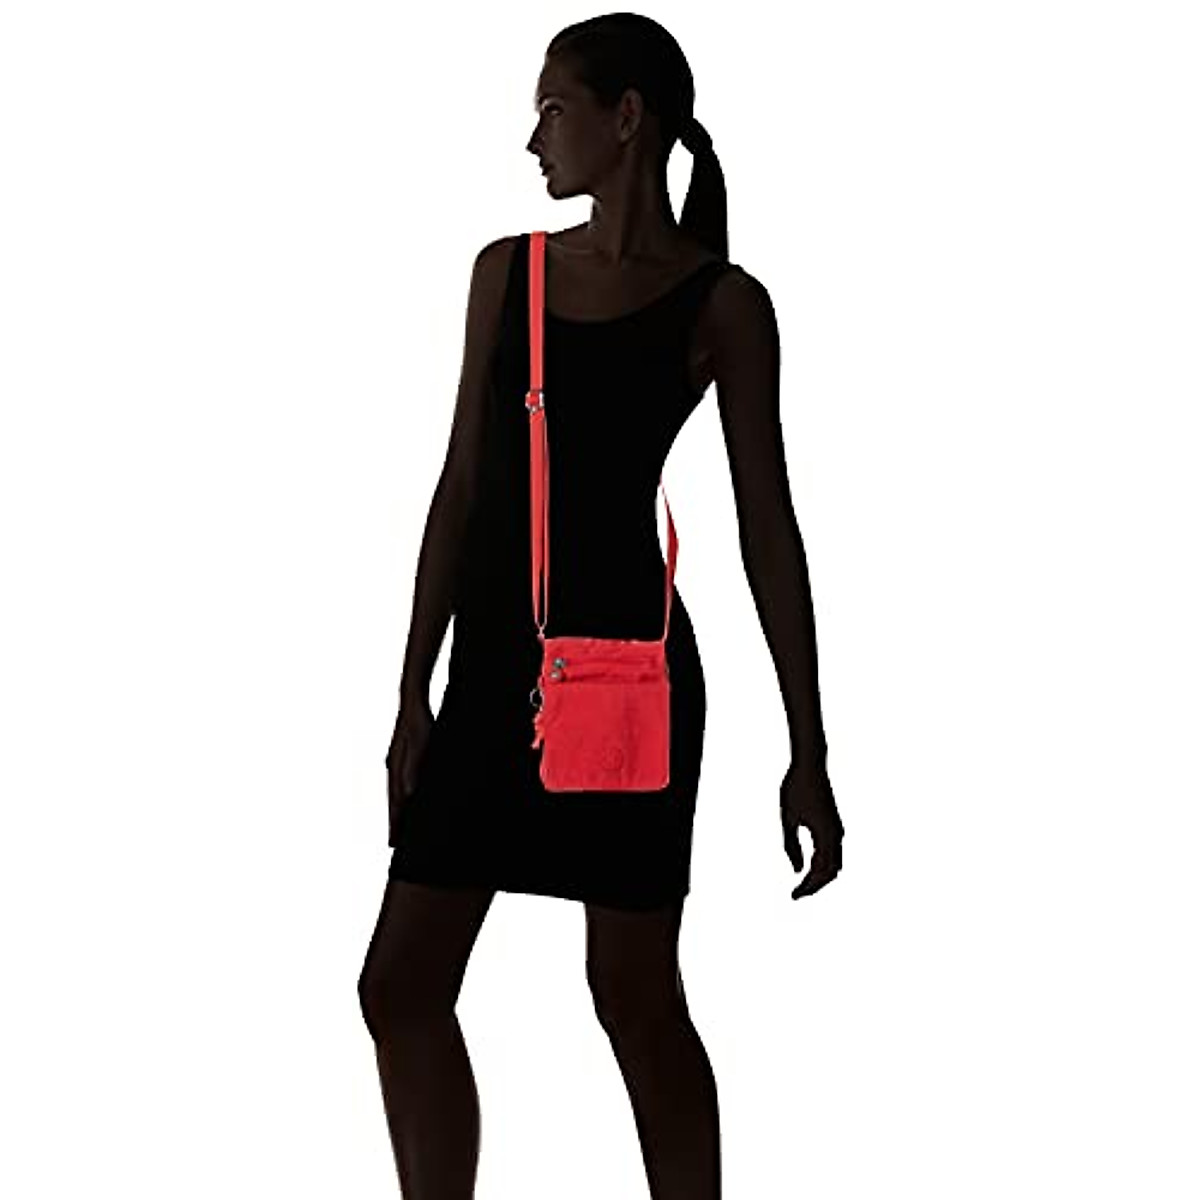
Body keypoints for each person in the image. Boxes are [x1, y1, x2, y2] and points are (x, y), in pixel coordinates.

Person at [358, 13, 844, 1198]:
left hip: (629, 679)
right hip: (491, 677)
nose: (534, 140)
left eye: (554, 109)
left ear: (628, 119)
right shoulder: (507, 273)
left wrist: (810, 748)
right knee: (400, 984)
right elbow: (462, 487)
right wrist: (411, 691)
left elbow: (769, 531)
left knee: (631, 992)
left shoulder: (725, 305)